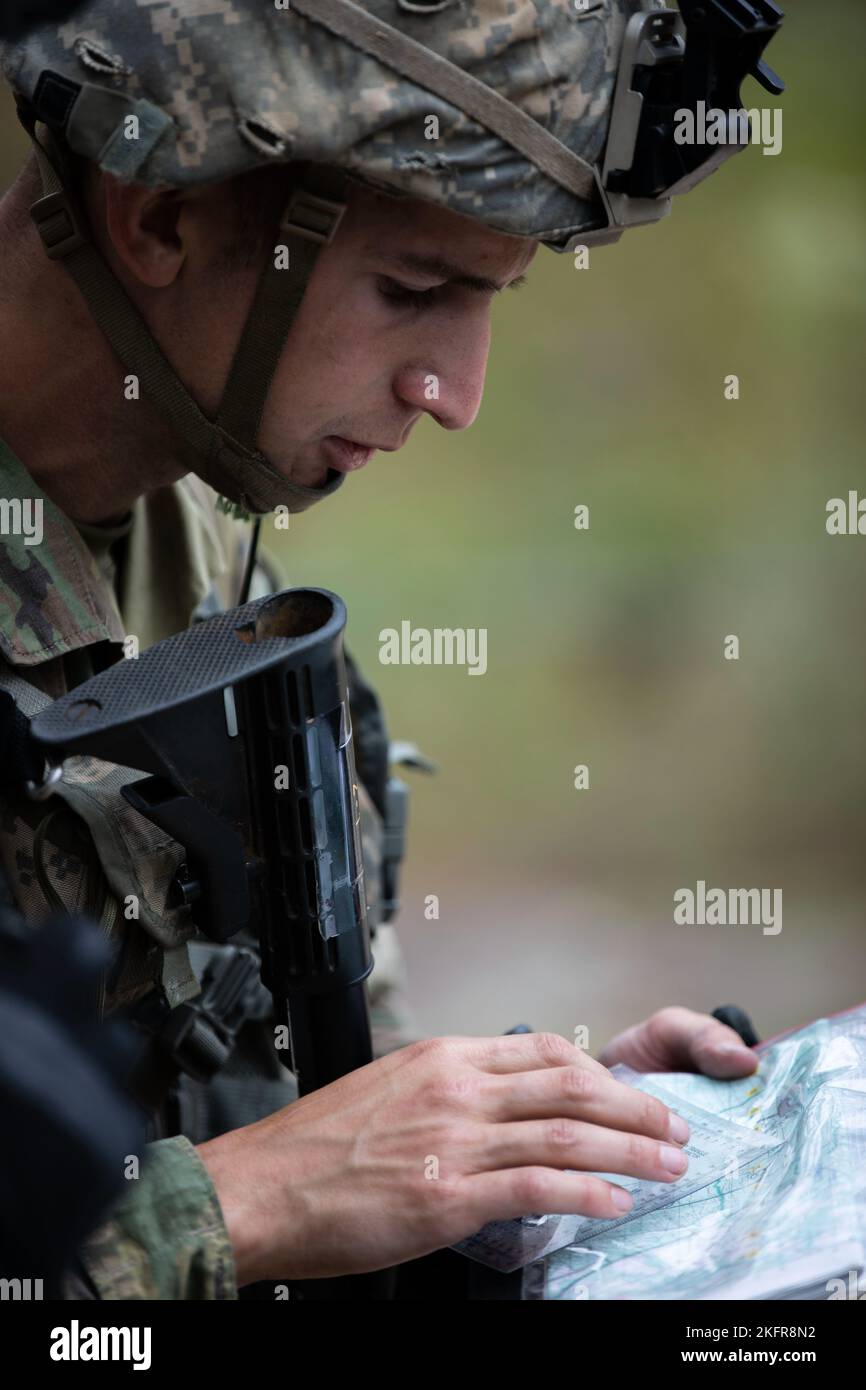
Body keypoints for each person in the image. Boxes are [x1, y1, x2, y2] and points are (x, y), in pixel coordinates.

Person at [0, 0, 771, 1299]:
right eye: (412, 290)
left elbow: (296, 1104)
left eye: (493, 297)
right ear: (161, 215)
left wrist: (513, 1155)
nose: (456, 395)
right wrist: (244, 1203)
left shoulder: (199, 554)